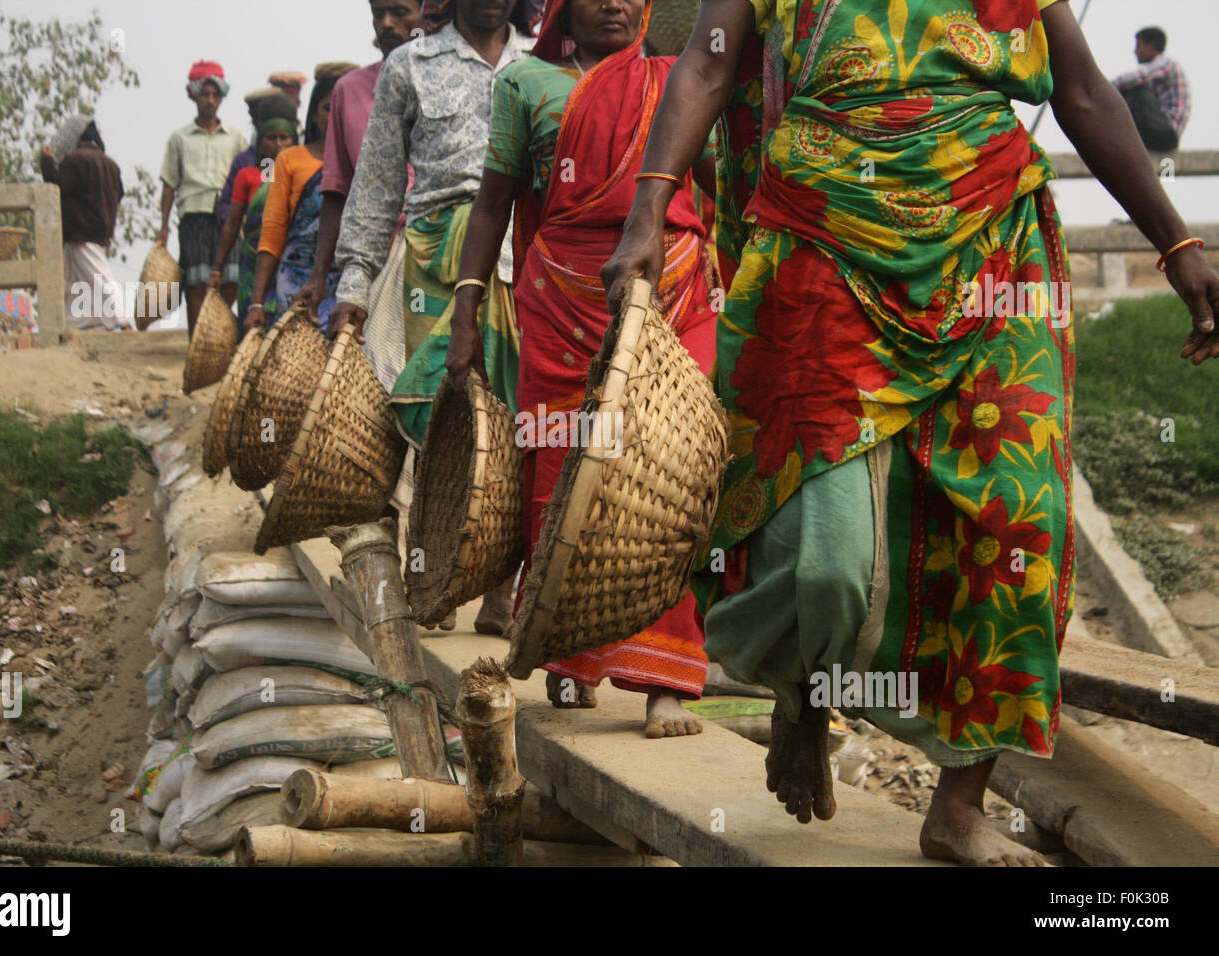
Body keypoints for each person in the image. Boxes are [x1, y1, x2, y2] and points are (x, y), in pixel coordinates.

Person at [602, 0, 1219, 864]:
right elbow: (706, 64)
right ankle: (805, 694)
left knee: (1015, 522)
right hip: (822, 241)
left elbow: (1080, 89)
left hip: (992, 243)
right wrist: (647, 215)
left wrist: (1176, 240)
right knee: (825, 556)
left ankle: (957, 805)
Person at [444, 0, 714, 737]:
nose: (615, 4)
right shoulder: (526, 83)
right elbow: (493, 204)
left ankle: (663, 682)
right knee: (557, 472)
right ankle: (571, 661)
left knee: (673, 474)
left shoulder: (681, 78)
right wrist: (465, 312)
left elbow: (715, 184)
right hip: (563, 295)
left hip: (673, 285)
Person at [330, 0, 535, 633]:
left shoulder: (544, 66)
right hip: (429, 264)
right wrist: (354, 285)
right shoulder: (408, 66)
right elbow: (376, 185)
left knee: (515, 422)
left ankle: (501, 594)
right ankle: (430, 576)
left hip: (519, 262)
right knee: (419, 410)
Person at [291, 0, 430, 315]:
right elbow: (337, 190)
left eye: (400, 12)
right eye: (378, 14)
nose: (387, 24)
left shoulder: (454, 80)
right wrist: (318, 275)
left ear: (428, 12)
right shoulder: (349, 90)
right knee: (378, 357)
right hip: (375, 257)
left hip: (441, 252)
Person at [246, 63, 356, 331]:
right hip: (296, 279)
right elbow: (272, 232)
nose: (337, 115)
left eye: (345, 107)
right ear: (314, 115)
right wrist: (257, 303)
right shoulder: (290, 160)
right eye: (328, 108)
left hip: (347, 282)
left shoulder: (362, 161)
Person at [157, 60, 249, 336]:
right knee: (196, 282)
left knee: (231, 279)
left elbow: (249, 175)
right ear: (192, 95)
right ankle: (197, 342)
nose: (210, 100)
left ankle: (216, 334)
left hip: (228, 217)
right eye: (204, 94)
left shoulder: (236, 138)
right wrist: (163, 228)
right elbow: (169, 185)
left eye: (215, 95)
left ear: (222, 97)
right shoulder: (179, 138)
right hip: (193, 216)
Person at [209, 95, 299, 332]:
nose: (278, 144)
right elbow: (231, 224)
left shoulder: (301, 177)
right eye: (271, 138)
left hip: (290, 263)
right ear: (261, 143)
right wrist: (217, 268)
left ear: (294, 141)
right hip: (252, 264)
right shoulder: (249, 176)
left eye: (284, 137)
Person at [41, 120, 129, 331]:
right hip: (99, 230)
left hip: (80, 230)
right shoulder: (111, 165)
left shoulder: (76, 161)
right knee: (72, 282)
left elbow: (55, 184)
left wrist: (46, 161)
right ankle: (76, 324)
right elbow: (120, 194)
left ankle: (122, 320)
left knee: (99, 278)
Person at [1112, 26, 1191, 154]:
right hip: (1159, 130)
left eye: (1138, 45)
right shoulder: (1156, 75)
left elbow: (1137, 77)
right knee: (1124, 96)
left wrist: (1102, 88)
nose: (1135, 51)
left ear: (1151, 45)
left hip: (1167, 132)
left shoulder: (1166, 63)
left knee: (1133, 92)